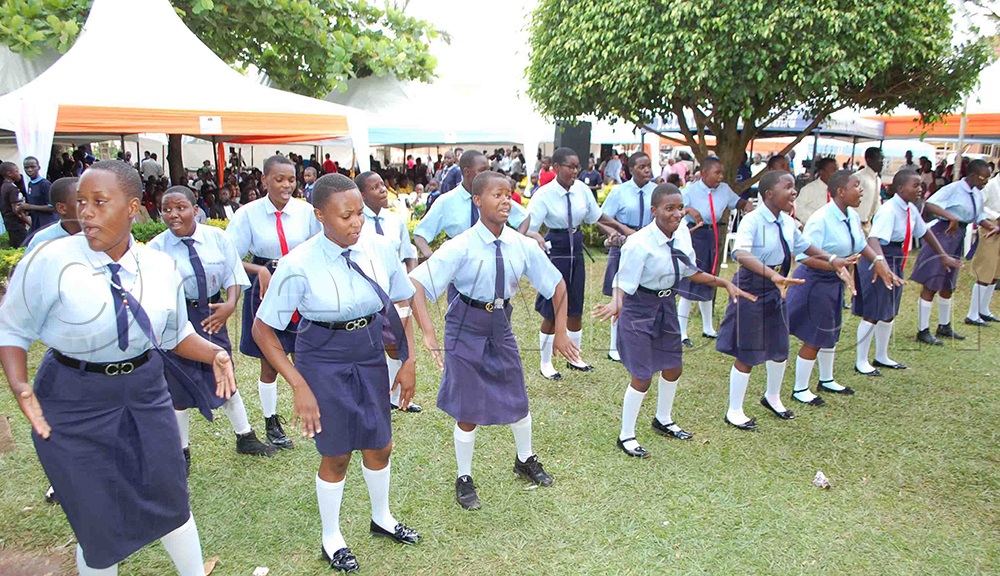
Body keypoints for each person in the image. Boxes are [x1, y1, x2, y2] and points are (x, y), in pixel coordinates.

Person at [0, 160, 235, 576]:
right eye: (82, 203)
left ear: (131, 208)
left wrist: (214, 353)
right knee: (98, 517)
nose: (85, 212)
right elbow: (13, 328)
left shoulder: (159, 266)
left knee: (171, 499)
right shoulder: (48, 260)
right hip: (73, 398)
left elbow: (173, 333)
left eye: (99, 202)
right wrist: (19, 384)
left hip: (145, 391)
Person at [252, 173, 420, 573]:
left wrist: (408, 361)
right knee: (337, 453)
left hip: (368, 349)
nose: (356, 223)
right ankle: (332, 536)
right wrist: (299, 385)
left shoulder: (379, 248)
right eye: (346, 216)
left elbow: (401, 301)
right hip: (322, 356)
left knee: (380, 443)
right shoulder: (297, 263)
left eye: (360, 213)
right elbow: (263, 329)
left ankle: (382, 517)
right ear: (320, 215)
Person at [410, 171, 581, 509]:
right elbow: (415, 284)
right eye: (497, 195)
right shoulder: (460, 246)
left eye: (509, 195)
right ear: (477, 200)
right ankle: (464, 477)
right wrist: (428, 333)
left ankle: (525, 458)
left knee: (517, 394)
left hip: (501, 323)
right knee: (467, 406)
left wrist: (560, 331)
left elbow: (557, 284)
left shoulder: (522, 244)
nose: (505, 201)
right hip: (465, 325)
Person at [593, 183, 755, 457]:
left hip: (666, 305)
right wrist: (616, 303)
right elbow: (624, 280)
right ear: (654, 210)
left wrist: (724, 283)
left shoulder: (681, 235)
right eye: (669, 208)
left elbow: (690, 271)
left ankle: (663, 419)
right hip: (639, 307)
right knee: (642, 376)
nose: (677, 214)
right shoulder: (639, 243)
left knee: (673, 367)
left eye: (680, 208)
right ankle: (626, 435)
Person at [149, 187, 276, 469]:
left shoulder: (217, 238)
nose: (172, 214)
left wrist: (230, 304)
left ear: (196, 210)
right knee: (177, 383)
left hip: (213, 314)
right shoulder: (155, 249)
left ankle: (245, 436)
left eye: (180, 207)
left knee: (224, 371)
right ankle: (181, 449)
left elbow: (233, 274)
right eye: (166, 209)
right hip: (176, 318)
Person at [715, 170, 852, 430]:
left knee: (779, 346)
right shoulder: (753, 220)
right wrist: (771, 275)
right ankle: (734, 410)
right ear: (769, 194)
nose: (794, 192)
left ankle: (773, 397)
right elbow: (741, 253)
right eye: (787, 187)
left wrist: (833, 259)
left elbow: (805, 246)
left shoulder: (787, 222)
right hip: (753, 286)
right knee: (749, 349)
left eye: (794, 187)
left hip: (778, 286)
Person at [226, 155, 321, 450]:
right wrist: (260, 270)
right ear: (265, 180)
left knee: (304, 355)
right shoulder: (248, 214)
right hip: (264, 288)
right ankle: (272, 421)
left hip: (299, 286)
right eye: (279, 179)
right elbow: (229, 258)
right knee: (270, 361)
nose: (286, 185)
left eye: (291, 180)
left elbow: (321, 248)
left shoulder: (306, 212)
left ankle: (311, 413)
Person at [786, 171, 898, 408]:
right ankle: (800, 388)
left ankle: (826, 379)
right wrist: (834, 264)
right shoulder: (821, 219)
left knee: (831, 332)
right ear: (840, 191)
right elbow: (804, 256)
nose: (861, 190)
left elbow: (861, 244)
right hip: (815, 282)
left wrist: (878, 261)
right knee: (814, 336)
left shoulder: (850, 215)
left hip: (835, 279)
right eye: (856, 186)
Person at [528, 147, 628, 379]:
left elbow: (596, 217)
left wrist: (618, 230)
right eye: (570, 167)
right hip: (557, 247)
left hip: (576, 246)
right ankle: (546, 363)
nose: (575, 171)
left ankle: (574, 357)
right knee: (553, 307)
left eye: (577, 167)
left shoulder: (582, 190)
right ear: (556, 168)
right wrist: (537, 238)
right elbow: (529, 228)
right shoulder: (543, 194)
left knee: (575, 306)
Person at [854, 170, 962, 374]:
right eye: (915, 185)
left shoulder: (910, 209)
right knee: (873, 312)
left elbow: (925, 232)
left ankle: (881, 356)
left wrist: (943, 255)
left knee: (889, 311)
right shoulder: (890, 210)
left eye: (921, 185)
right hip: (880, 258)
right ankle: (861, 361)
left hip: (895, 259)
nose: (920, 189)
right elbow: (873, 239)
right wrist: (882, 265)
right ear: (900, 188)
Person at [910, 159, 998, 344]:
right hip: (943, 234)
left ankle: (944, 325)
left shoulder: (977, 193)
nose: (986, 182)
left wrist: (990, 226)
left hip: (959, 236)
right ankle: (922, 330)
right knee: (931, 282)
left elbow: (979, 215)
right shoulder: (954, 189)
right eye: (984, 178)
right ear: (973, 175)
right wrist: (950, 217)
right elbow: (930, 204)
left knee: (948, 284)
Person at [356, 171, 422, 414]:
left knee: (398, 341)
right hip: (369, 292)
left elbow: (407, 253)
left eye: (383, 185)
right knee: (371, 344)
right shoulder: (356, 223)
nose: (383, 190)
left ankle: (396, 396)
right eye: (375, 187)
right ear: (362, 195)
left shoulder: (395, 221)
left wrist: (410, 280)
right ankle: (373, 396)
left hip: (395, 291)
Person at [676, 157, 751, 346]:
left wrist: (748, 206)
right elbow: (676, 209)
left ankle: (708, 327)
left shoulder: (724, 189)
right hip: (695, 235)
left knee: (709, 278)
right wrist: (687, 209)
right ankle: (681, 331)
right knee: (691, 278)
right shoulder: (690, 191)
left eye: (721, 173)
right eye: (716, 173)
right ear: (704, 173)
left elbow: (738, 202)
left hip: (713, 235)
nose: (720, 176)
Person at [413, 150, 532, 259]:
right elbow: (420, 234)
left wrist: (514, 246)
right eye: (482, 171)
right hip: (459, 268)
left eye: (489, 170)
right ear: (467, 172)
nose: (487, 175)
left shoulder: (494, 196)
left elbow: (524, 217)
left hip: (492, 265)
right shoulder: (446, 201)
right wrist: (432, 258)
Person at [598, 152, 656, 362]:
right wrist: (612, 234)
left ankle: (642, 343)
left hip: (649, 245)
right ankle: (615, 346)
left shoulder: (657, 191)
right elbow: (601, 219)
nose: (647, 170)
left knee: (645, 295)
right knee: (620, 294)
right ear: (630, 170)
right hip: (624, 245)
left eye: (649, 166)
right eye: (642, 167)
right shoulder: (619, 192)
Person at [966, 172, 1000, 325]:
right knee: (985, 269)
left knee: (995, 271)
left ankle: (984, 309)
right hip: (990, 226)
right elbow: (979, 206)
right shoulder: (991, 184)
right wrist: (996, 216)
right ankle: (972, 314)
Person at [23, 177, 80, 256]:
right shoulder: (42, 240)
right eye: (82, 201)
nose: (91, 207)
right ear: (62, 208)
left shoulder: (100, 237)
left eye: (96, 201)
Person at [794, 157, 837, 227]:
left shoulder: (838, 190)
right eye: (832, 170)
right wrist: (815, 220)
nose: (835, 173)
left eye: (836, 170)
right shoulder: (809, 189)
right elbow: (798, 209)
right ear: (822, 172)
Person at [21, 156, 57, 233]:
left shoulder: (45, 184)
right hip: (36, 222)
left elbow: (52, 207)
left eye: (33, 167)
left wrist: (30, 206)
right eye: (26, 168)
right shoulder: (30, 184)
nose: (29, 170)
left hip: (46, 222)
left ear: (39, 168)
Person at [854, 147, 884, 234]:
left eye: (882, 160)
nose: (882, 163)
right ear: (869, 160)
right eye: (879, 159)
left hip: (868, 225)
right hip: (856, 223)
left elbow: (877, 201)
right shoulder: (859, 177)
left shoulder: (877, 179)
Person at [1, 161, 30, 247]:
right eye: (16, 171)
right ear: (9, 173)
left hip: (9, 222)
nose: (19, 174)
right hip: (15, 223)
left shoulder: (4, 185)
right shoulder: (11, 188)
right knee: (23, 245)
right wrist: (28, 222)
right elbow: (16, 209)